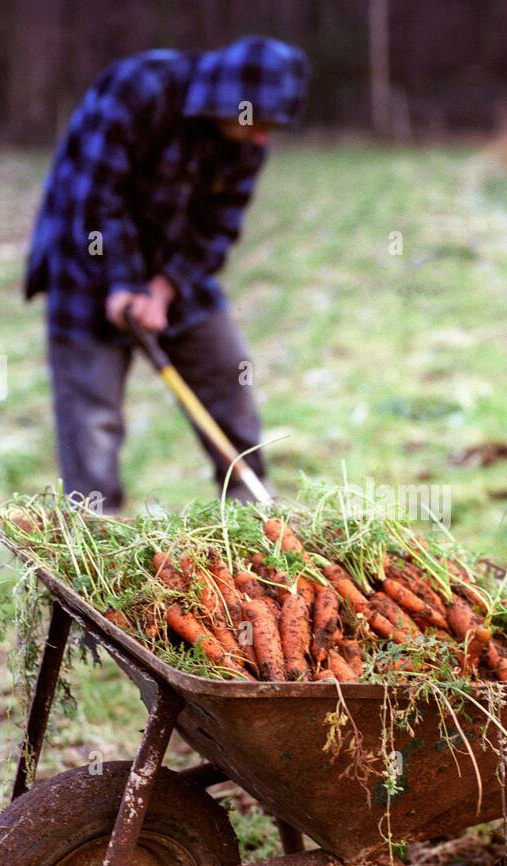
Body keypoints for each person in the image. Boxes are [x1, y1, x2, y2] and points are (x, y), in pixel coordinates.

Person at [24, 35, 310, 510]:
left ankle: (253, 515)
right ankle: (96, 541)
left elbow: (219, 226)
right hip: (87, 262)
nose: (264, 137)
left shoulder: (246, 142)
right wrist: (123, 282)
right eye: (259, 121)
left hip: (174, 274)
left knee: (227, 377)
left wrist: (164, 287)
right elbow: (94, 198)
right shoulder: (139, 89)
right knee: (93, 420)